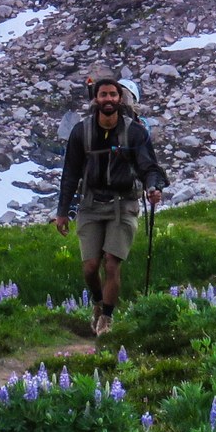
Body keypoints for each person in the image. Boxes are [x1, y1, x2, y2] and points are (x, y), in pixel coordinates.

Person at [56, 76, 166, 337]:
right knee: (90, 266)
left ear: (120, 99)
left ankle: (106, 319)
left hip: (124, 204)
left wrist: (153, 187)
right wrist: (62, 212)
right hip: (90, 204)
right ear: (96, 99)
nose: (108, 99)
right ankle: (97, 302)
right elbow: (70, 173)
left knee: (112, 263)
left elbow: (149, 166)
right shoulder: (81, 132)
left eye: (113, 95)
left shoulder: (135, 132)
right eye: (103, 95)